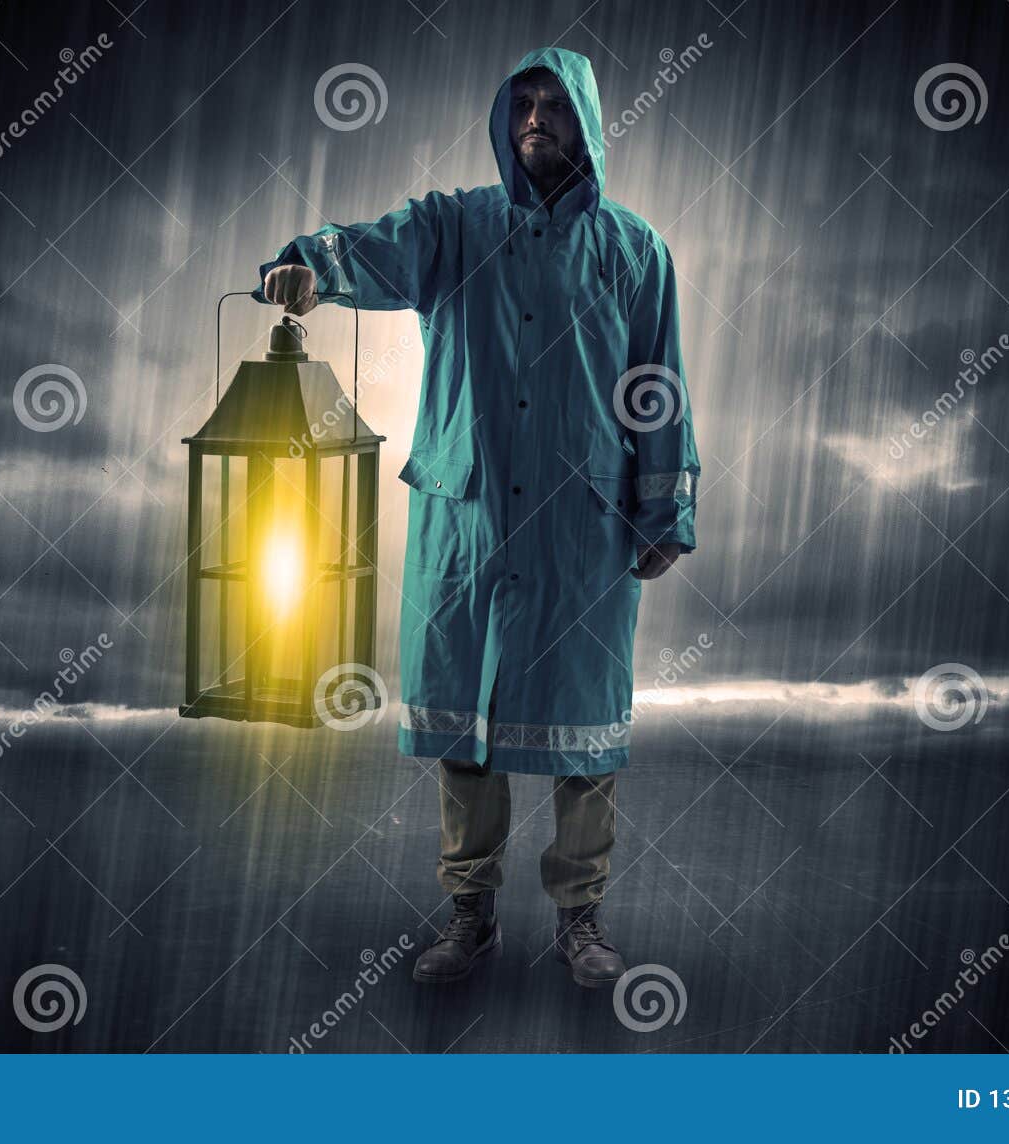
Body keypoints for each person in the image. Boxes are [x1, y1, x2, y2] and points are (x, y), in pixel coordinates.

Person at [260, 47, 698, 989]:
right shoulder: (454, 227)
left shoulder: (634, 251)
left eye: (554, 105)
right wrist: (308, 265)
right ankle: (471, 915)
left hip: (583, 523)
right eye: (522, 103)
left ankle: (582, 919)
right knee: (467, 724)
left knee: (585, 732)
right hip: (468, 520)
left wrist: (665, 507)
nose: (535, 117)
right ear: (505, 120)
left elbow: (656, 387)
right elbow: (367, 248)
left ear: (586, 123)